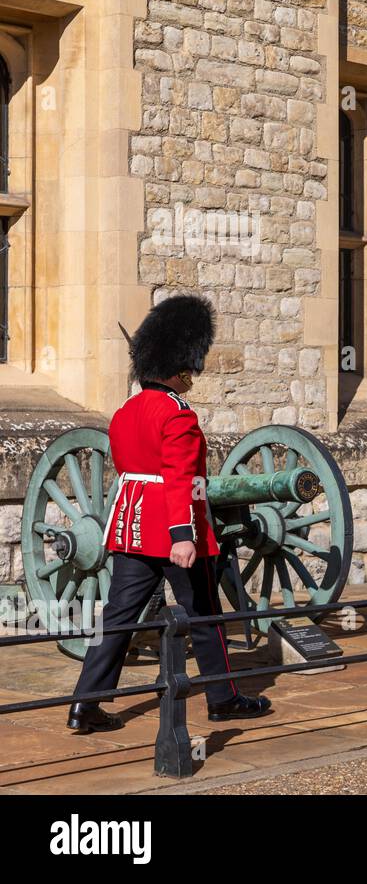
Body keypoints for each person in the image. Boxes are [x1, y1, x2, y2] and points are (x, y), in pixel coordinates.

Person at [67, 294, 272, 733]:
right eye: (189, 371)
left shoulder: (124, 413)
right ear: (179, 369)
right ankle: (222, 697)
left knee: (117, 619)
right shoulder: (178, 414)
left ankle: (84, 704)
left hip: (132, 525)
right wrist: (183, 533)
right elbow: (180, 478)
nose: (191, 378)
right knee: (204, 615)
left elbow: (129, 473)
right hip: (171, 529)